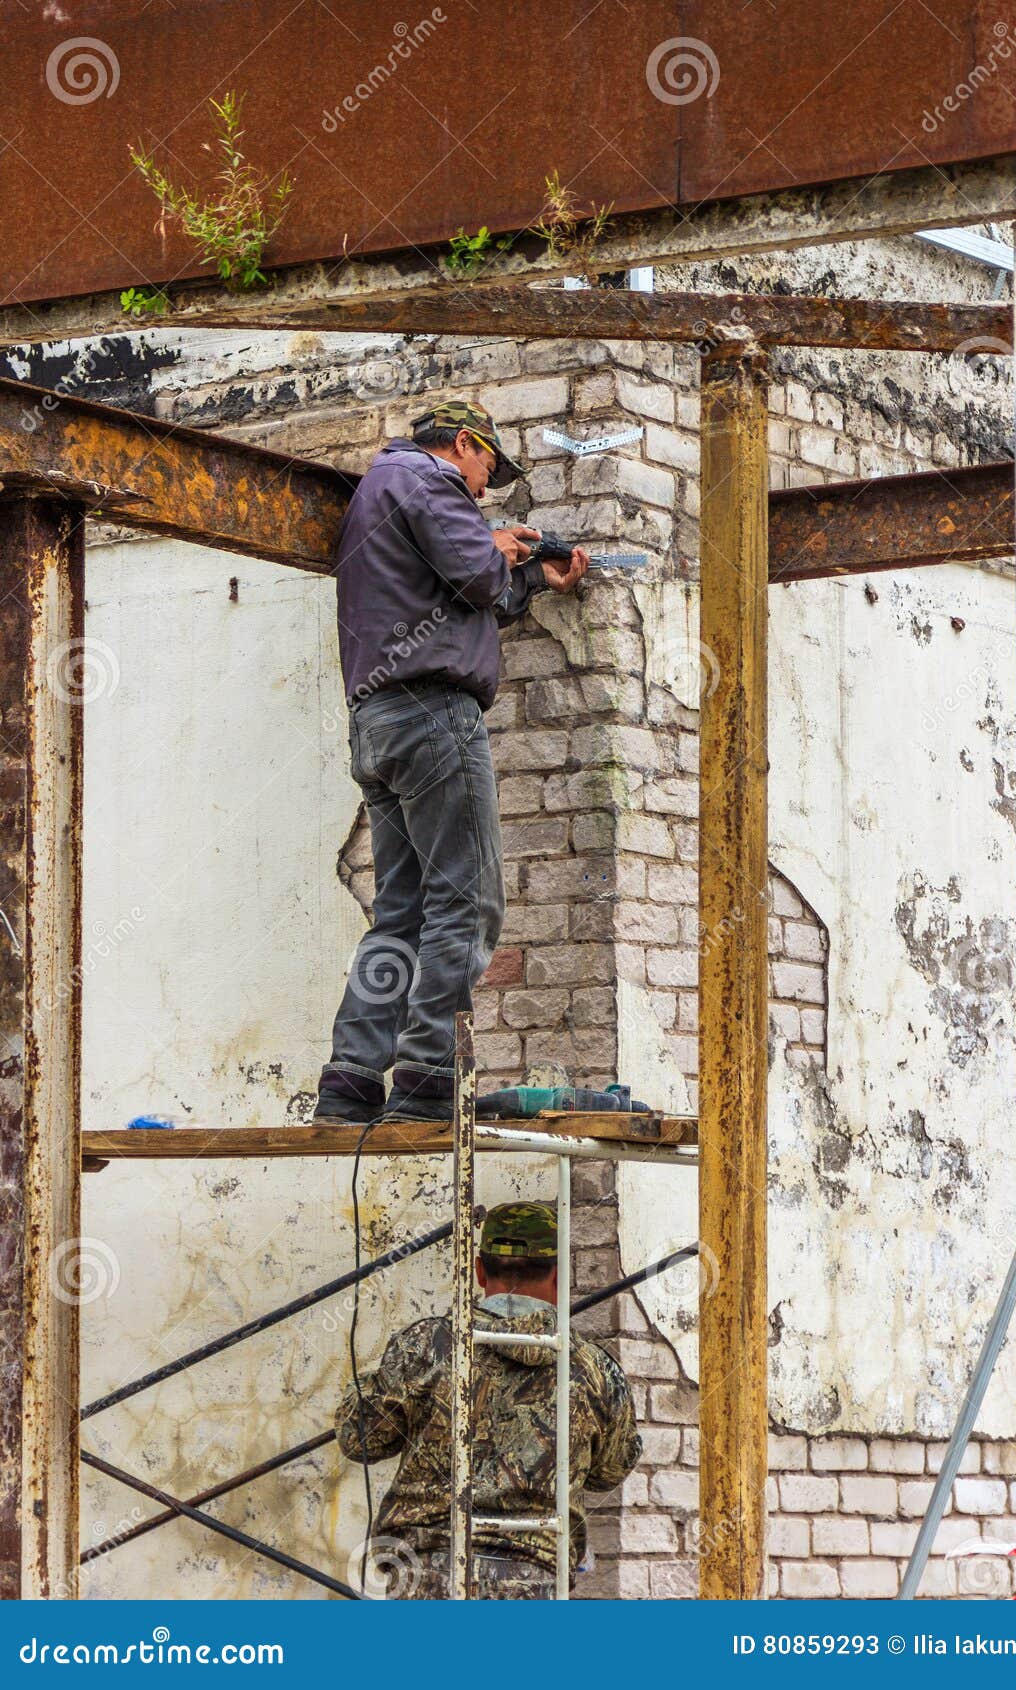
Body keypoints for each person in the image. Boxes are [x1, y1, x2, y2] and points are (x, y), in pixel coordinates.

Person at [315, 401, 589, 1127]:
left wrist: (528, 574)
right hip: (433, 716)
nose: (482, 490)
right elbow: (474, 576)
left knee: (400, 913)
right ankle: (427, 1077)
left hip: (377, 722)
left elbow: (467, 596)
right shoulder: (429, 481)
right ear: (464, 445)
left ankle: (349, 1080)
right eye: (486, 473)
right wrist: (497, 545)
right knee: (465, 903)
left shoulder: (379, 490)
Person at [336, 1201, 642, 1599]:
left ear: (479, 1271)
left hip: (425, 1580)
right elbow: (609, 1472)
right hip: (536, 1584)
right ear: (559, 1275)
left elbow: (360, 1439)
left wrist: (365, 1385)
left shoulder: (426, 1347)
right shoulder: (595, 1369)